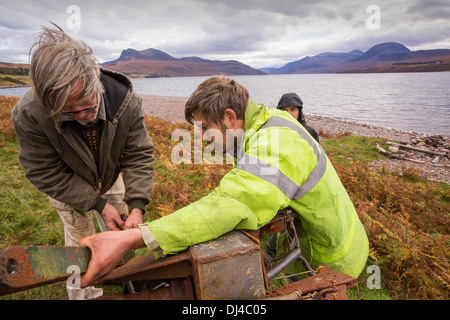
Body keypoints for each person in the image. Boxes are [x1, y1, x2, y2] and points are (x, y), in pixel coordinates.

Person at [79, 75, 368, 288]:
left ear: (229, 117)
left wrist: (133, 238)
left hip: (331, 258)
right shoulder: (262, 126)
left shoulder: (278, 142)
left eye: (204, 127)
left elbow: (236, 201)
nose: (201, 137)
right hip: (314, 242)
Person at [11, 24, 154, 299]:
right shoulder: (29, 114)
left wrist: (137, 206)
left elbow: (138, 154)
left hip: (110, 177)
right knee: (80, 243)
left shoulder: (126, 101)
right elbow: (43, 171)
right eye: (67, 110)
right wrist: (96, 203)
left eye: (88, 105)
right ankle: (84, 294)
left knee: (125, 230)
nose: (81, 116)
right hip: (68, 184)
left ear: (97, 77)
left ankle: (126, 276)